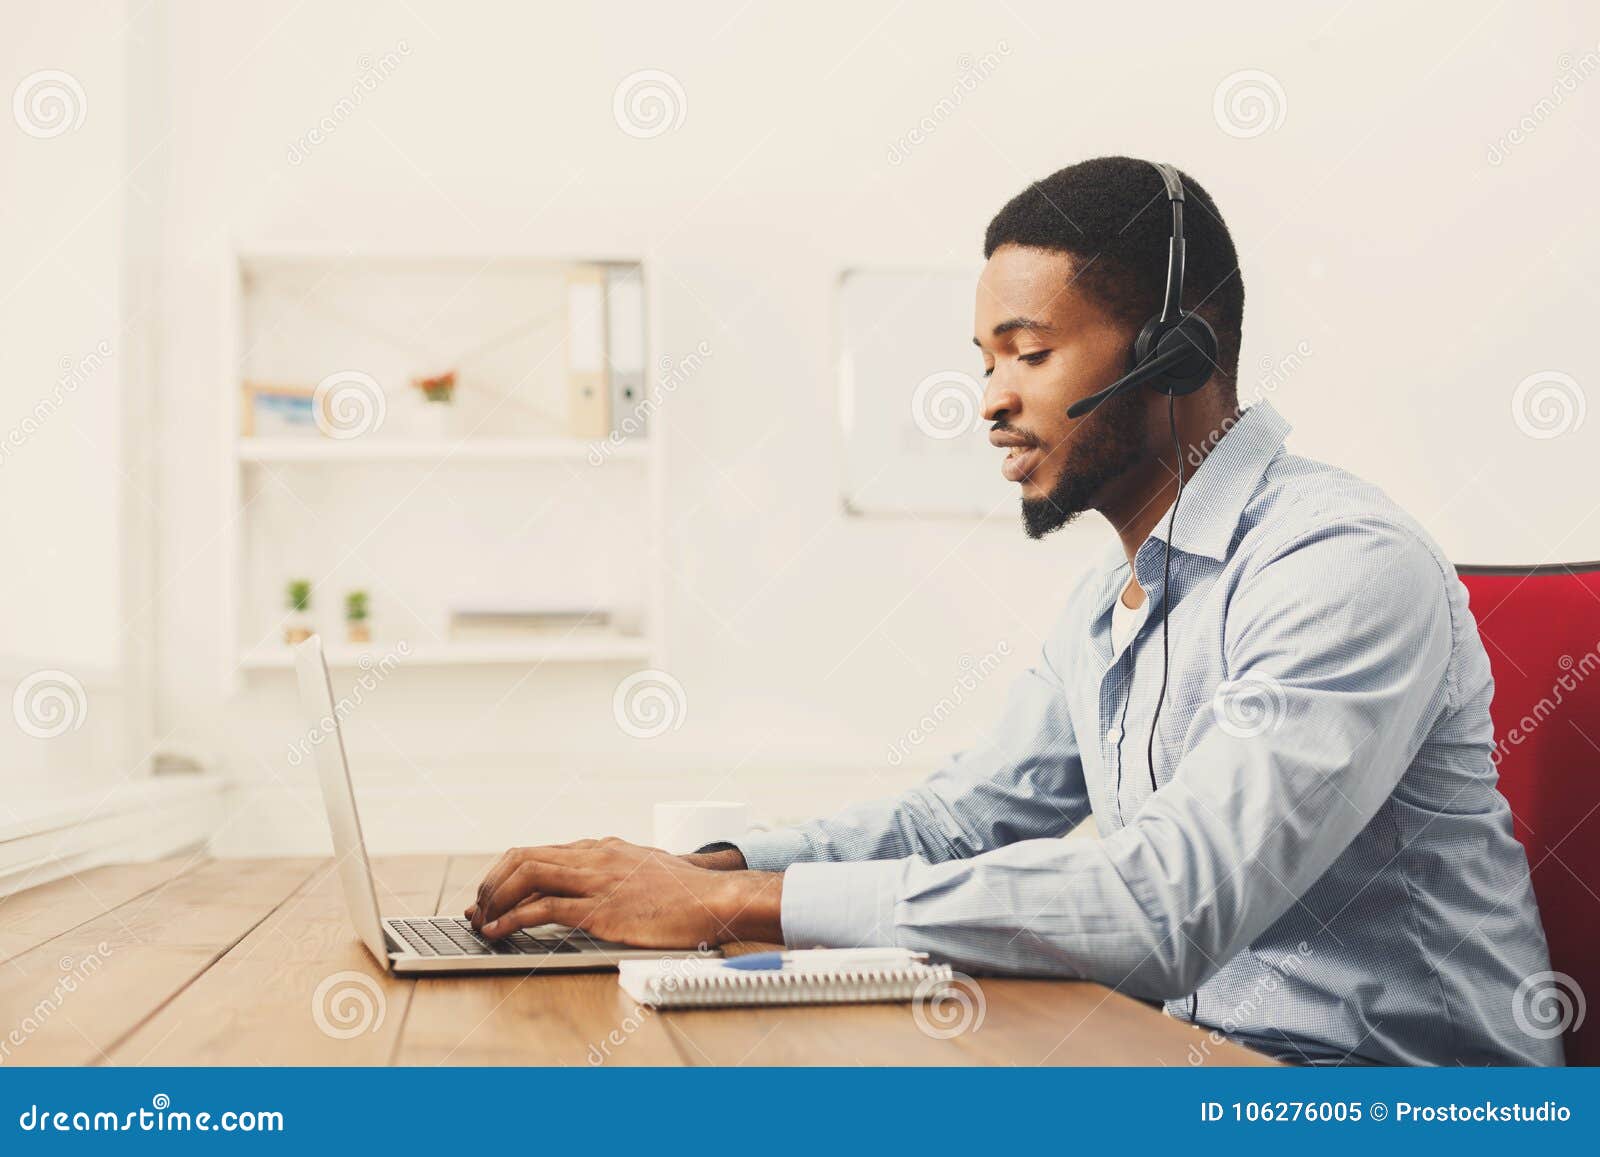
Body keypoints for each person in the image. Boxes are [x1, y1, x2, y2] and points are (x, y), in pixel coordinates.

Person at [467, 156, 1558, 1067]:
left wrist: (733, 907)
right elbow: (957, 822)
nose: (989, 397)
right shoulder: (1110, 603)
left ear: (1176, 350)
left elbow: (1167, 907)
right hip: (1202, 1068)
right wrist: (703, 867)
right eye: (984, 361)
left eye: (1030, 353)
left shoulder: (1337, 563)